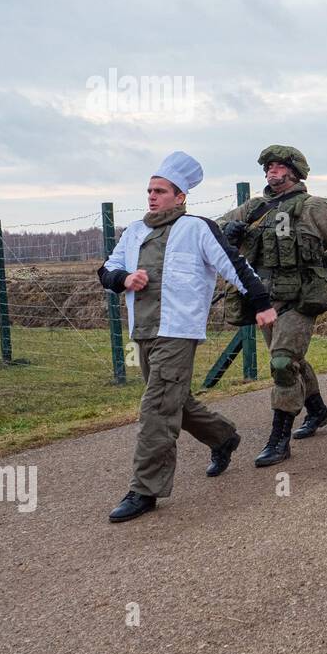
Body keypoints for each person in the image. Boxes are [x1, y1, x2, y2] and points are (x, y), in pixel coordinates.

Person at [99, 152, 277, 523]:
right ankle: (223, 437)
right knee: (172, 401)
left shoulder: (197, 228)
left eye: (160, 191)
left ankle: (144, 489)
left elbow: (233, 264)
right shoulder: (135, 231)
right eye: (149, 190)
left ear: (180, 197)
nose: (152, 196)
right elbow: (108, 268)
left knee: (157, 408)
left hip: (179, 330)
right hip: (143, 329)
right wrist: (124, 279)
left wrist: (260, 302)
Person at [217, 146, 327, 466]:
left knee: (282, 362)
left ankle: (279, 438)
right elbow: (211, 231)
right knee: (292, 359)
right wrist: (227, 231)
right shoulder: (254, 208)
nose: (272, 171)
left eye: (279, 166)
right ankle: (318, 410)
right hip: (265, 300)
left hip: (302, 298)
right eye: (269, 166)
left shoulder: (314, 208)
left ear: (295, 172)